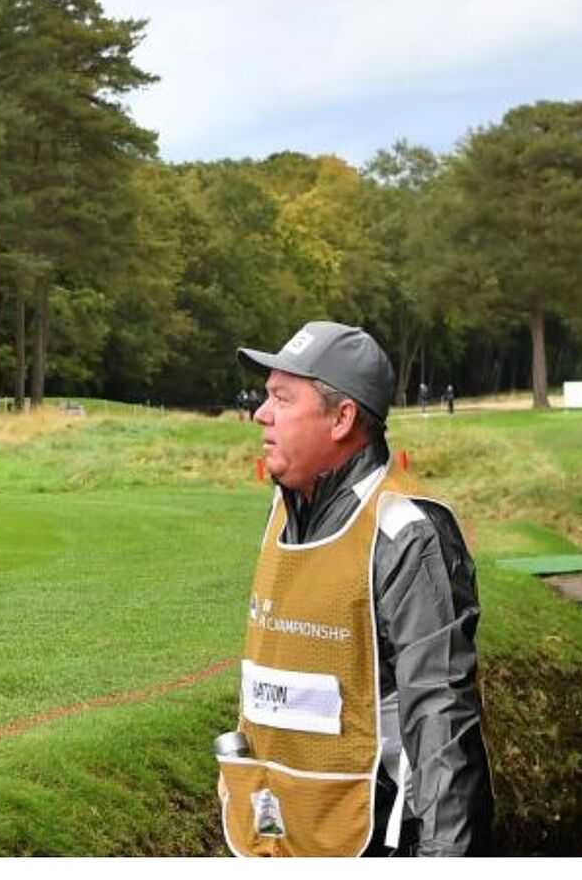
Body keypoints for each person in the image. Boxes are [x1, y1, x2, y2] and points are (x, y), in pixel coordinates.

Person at [216, 321, 492, 856]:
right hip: (275, 839)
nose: (261, 414)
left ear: (342, 419)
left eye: (281, 398)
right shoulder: (282, 511)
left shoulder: (407, 535)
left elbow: (445, 734)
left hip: (376, 843)